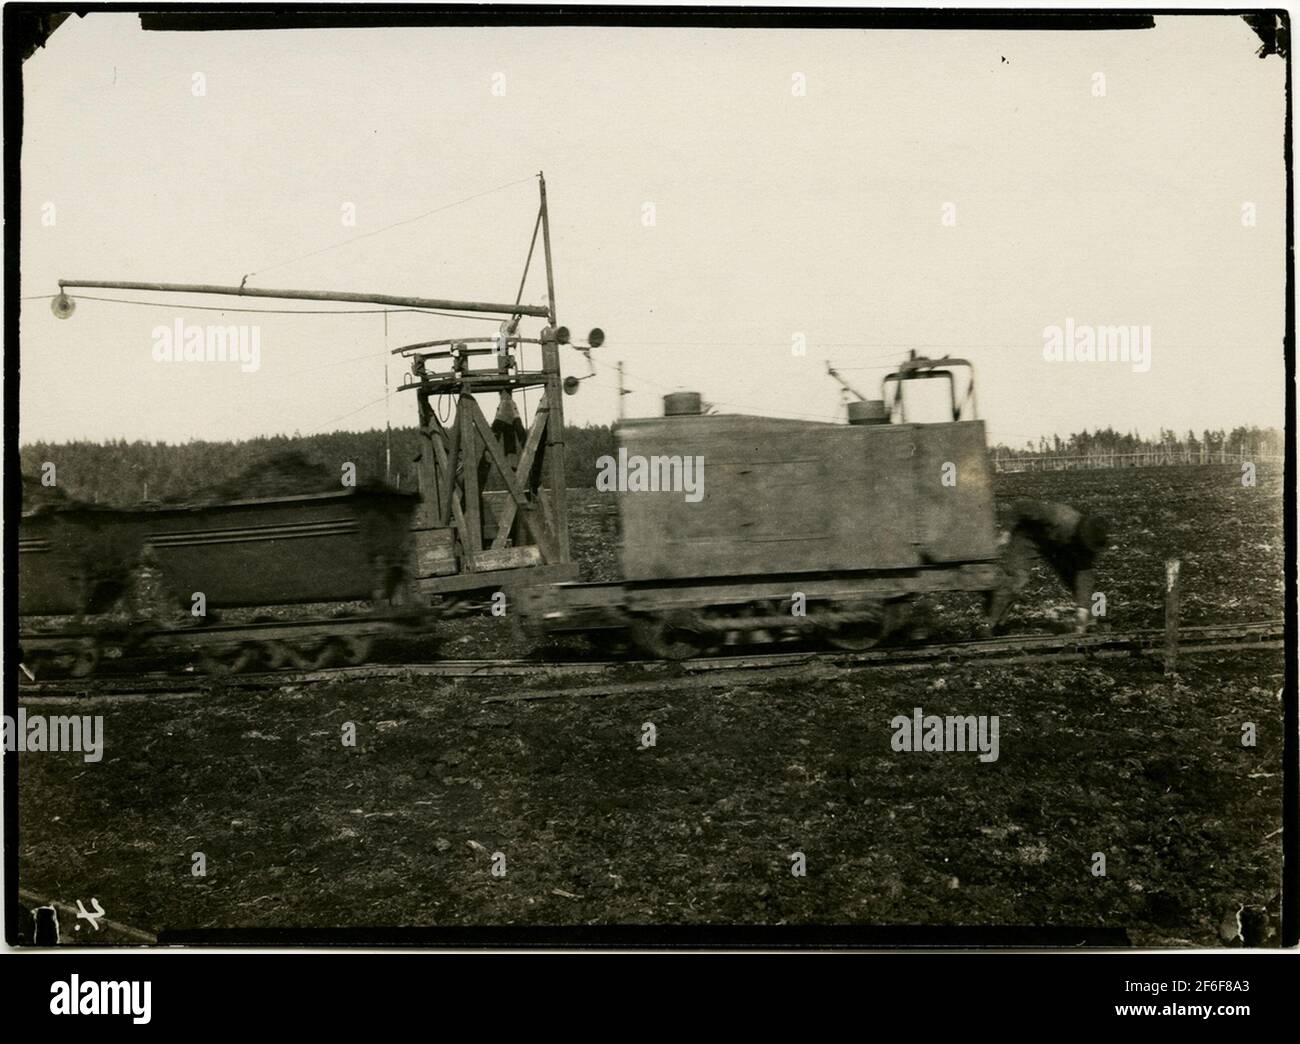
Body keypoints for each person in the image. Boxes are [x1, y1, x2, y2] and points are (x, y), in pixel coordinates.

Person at [984, 499, 1109, 635]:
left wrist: (1082, 611)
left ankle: (1091, 624)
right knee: (1014, 580)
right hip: (1029, 539)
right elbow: (1019, 506)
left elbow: (1084, 577)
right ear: (1079, 533)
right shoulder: (1059, 516)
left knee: (1081, 587)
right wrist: (1006, 532)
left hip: (1060, 549)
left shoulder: (1089, 545)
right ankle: (991, 624)